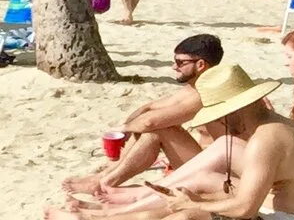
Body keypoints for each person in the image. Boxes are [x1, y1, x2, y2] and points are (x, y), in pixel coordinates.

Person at [40, 64, 294, 220]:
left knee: (187, 218)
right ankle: (94, 217)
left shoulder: (266, 140)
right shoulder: (273, 126)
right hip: (293, 213)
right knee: (186, 203)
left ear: (233, 110)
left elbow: (245, 208)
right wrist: (195, 199)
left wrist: (194, 204)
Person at [63, 33, 222, 194]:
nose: (174, 67)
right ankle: (104, 177)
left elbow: (151, 122)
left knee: (159, 128)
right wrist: (129, 128)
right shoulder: (195, 86)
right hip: (203, 159)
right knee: (150, 130)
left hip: (216, 171)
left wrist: (125, 128)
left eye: (180, 62)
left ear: (201, 64)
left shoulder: (208, 92)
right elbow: (149, 108)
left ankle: (105, 182)